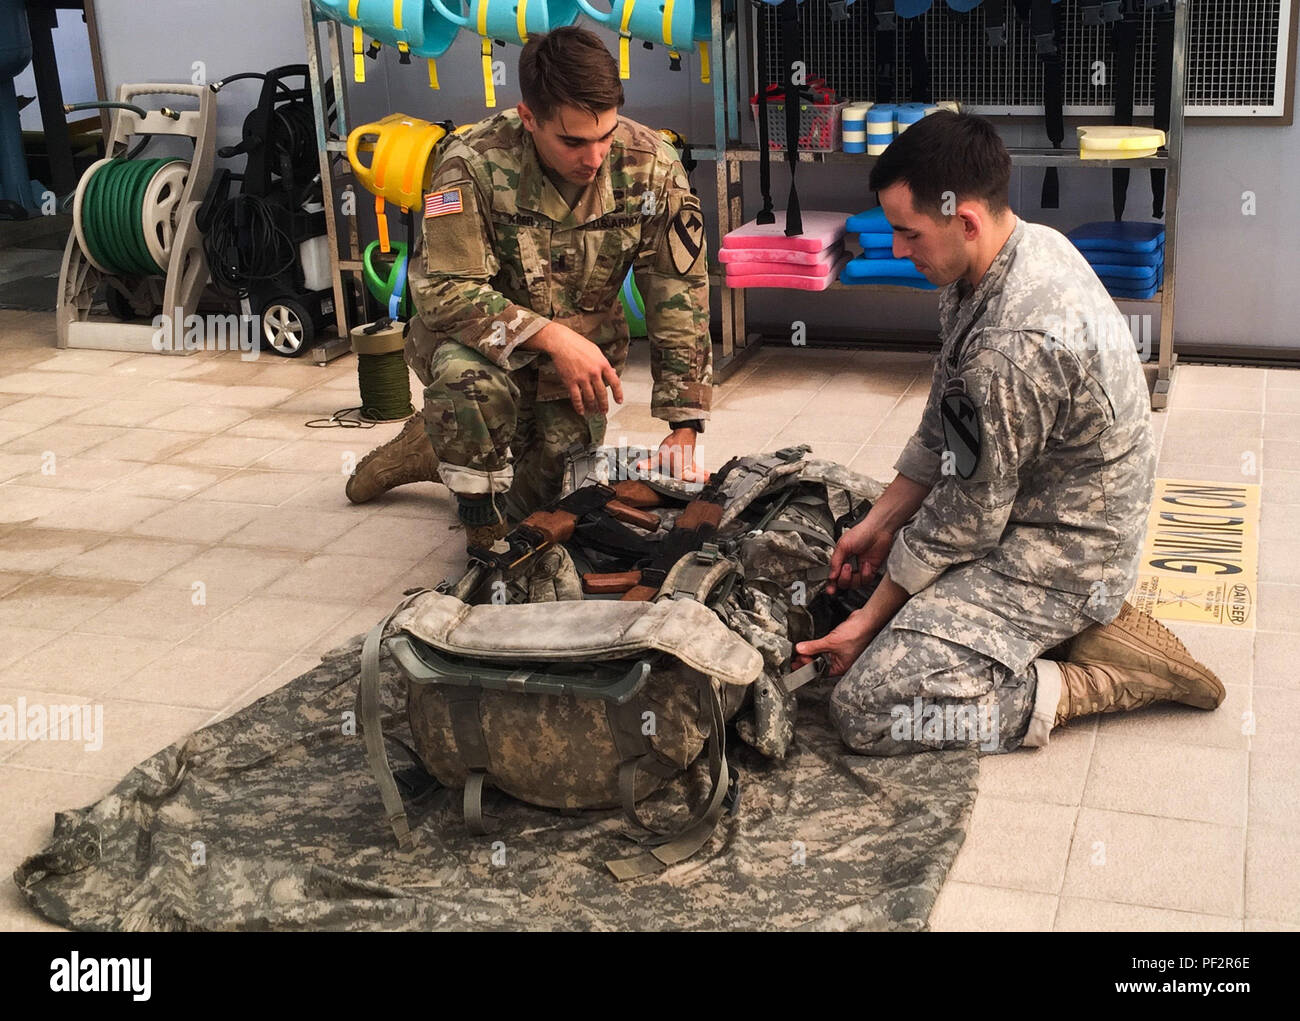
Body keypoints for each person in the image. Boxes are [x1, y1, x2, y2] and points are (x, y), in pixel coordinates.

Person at [793, 111, 1223, 755]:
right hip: (1022, 496)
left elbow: (967, 518)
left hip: (1069, 551)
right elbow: (944, 424)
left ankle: (1088, 679)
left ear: (964, 220)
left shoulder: (1012, 347)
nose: (898, 250)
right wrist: (880, 524)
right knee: (833, 524)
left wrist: (870, 620)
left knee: (870, 707)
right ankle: (1026, 629)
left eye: (907, 234)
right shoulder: (1005, 252)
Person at [345, 27, 712, 549]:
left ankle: (430, 444)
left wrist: (684, 420)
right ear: (528, 118)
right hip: (479, 351)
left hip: (578, 367)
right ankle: (480, 531)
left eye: (606, 134)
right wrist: (551, 337)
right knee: (472, 396)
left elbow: (678, 288)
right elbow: (444, 290)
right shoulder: (469, 164)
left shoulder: (651, 164)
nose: (595, 157)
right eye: (573, 141)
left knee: (546, 508)